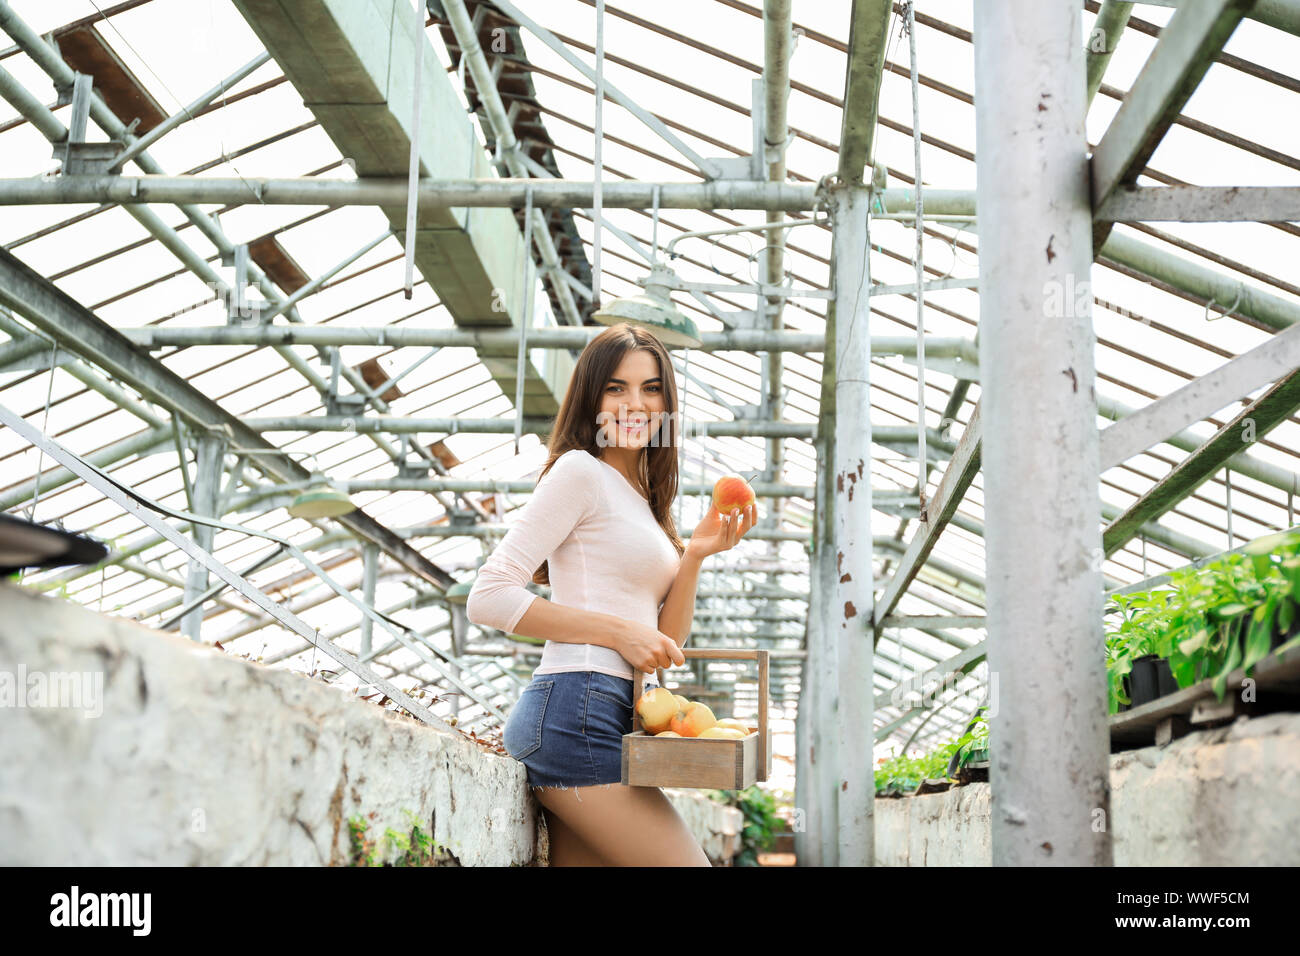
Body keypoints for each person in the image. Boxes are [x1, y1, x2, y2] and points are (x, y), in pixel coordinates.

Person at [466, 322, 757, 866]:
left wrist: (692, 556)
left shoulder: (644, 503)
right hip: (574, 710)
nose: (634, 404)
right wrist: (617, 631)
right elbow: (488, 596)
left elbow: (665, 641)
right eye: (616, 388)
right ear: (592, 399)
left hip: (618, 715)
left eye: (651, 389)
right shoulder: (581, 472)